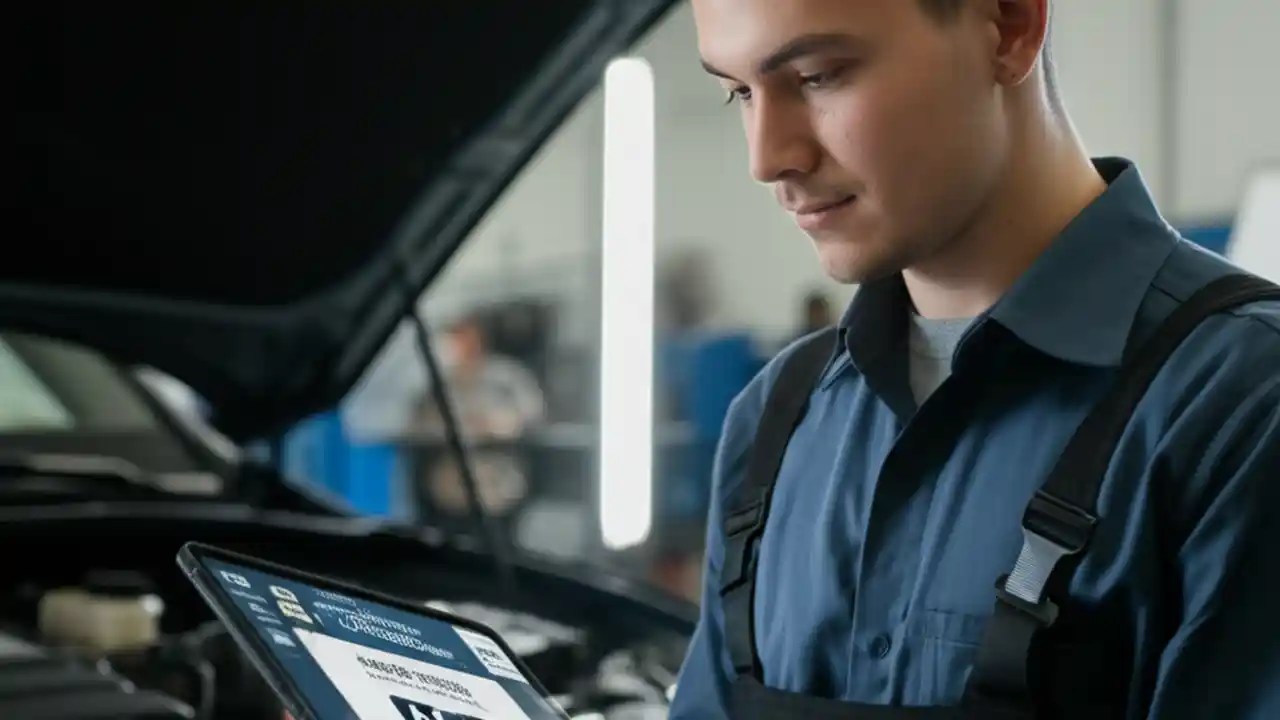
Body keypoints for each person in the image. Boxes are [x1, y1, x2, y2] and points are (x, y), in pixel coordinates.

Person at [671, 1, 1280, 718]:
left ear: (1010, 27)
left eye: (818, 75)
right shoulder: (775, 421)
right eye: (739, 91)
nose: (767, 156)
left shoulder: (1241, 406)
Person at [412, 313, 546, 519]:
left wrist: (500, 423)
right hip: (450, 468)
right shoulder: (439, 383)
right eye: (454, 340)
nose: (459, 347)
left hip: (502, 464)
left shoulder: (507, 375)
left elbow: (533, 413)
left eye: (465, 339)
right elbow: (421, 423)